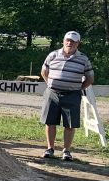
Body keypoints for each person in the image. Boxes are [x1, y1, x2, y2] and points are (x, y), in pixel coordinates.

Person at [40, 31, 94, 161]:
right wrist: (50, 84)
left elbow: (90, 77)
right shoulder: (53, 55)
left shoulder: (83, 59)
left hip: (72, 94)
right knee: (50, 122)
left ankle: (66, 151)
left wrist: (78, 88)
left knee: (70, 124)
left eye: (73, 41)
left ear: (78, 43)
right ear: (63, 41)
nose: (70, 43)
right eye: (68, 40)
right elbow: (44, 71)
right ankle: (50, 148)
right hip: (52, 93)